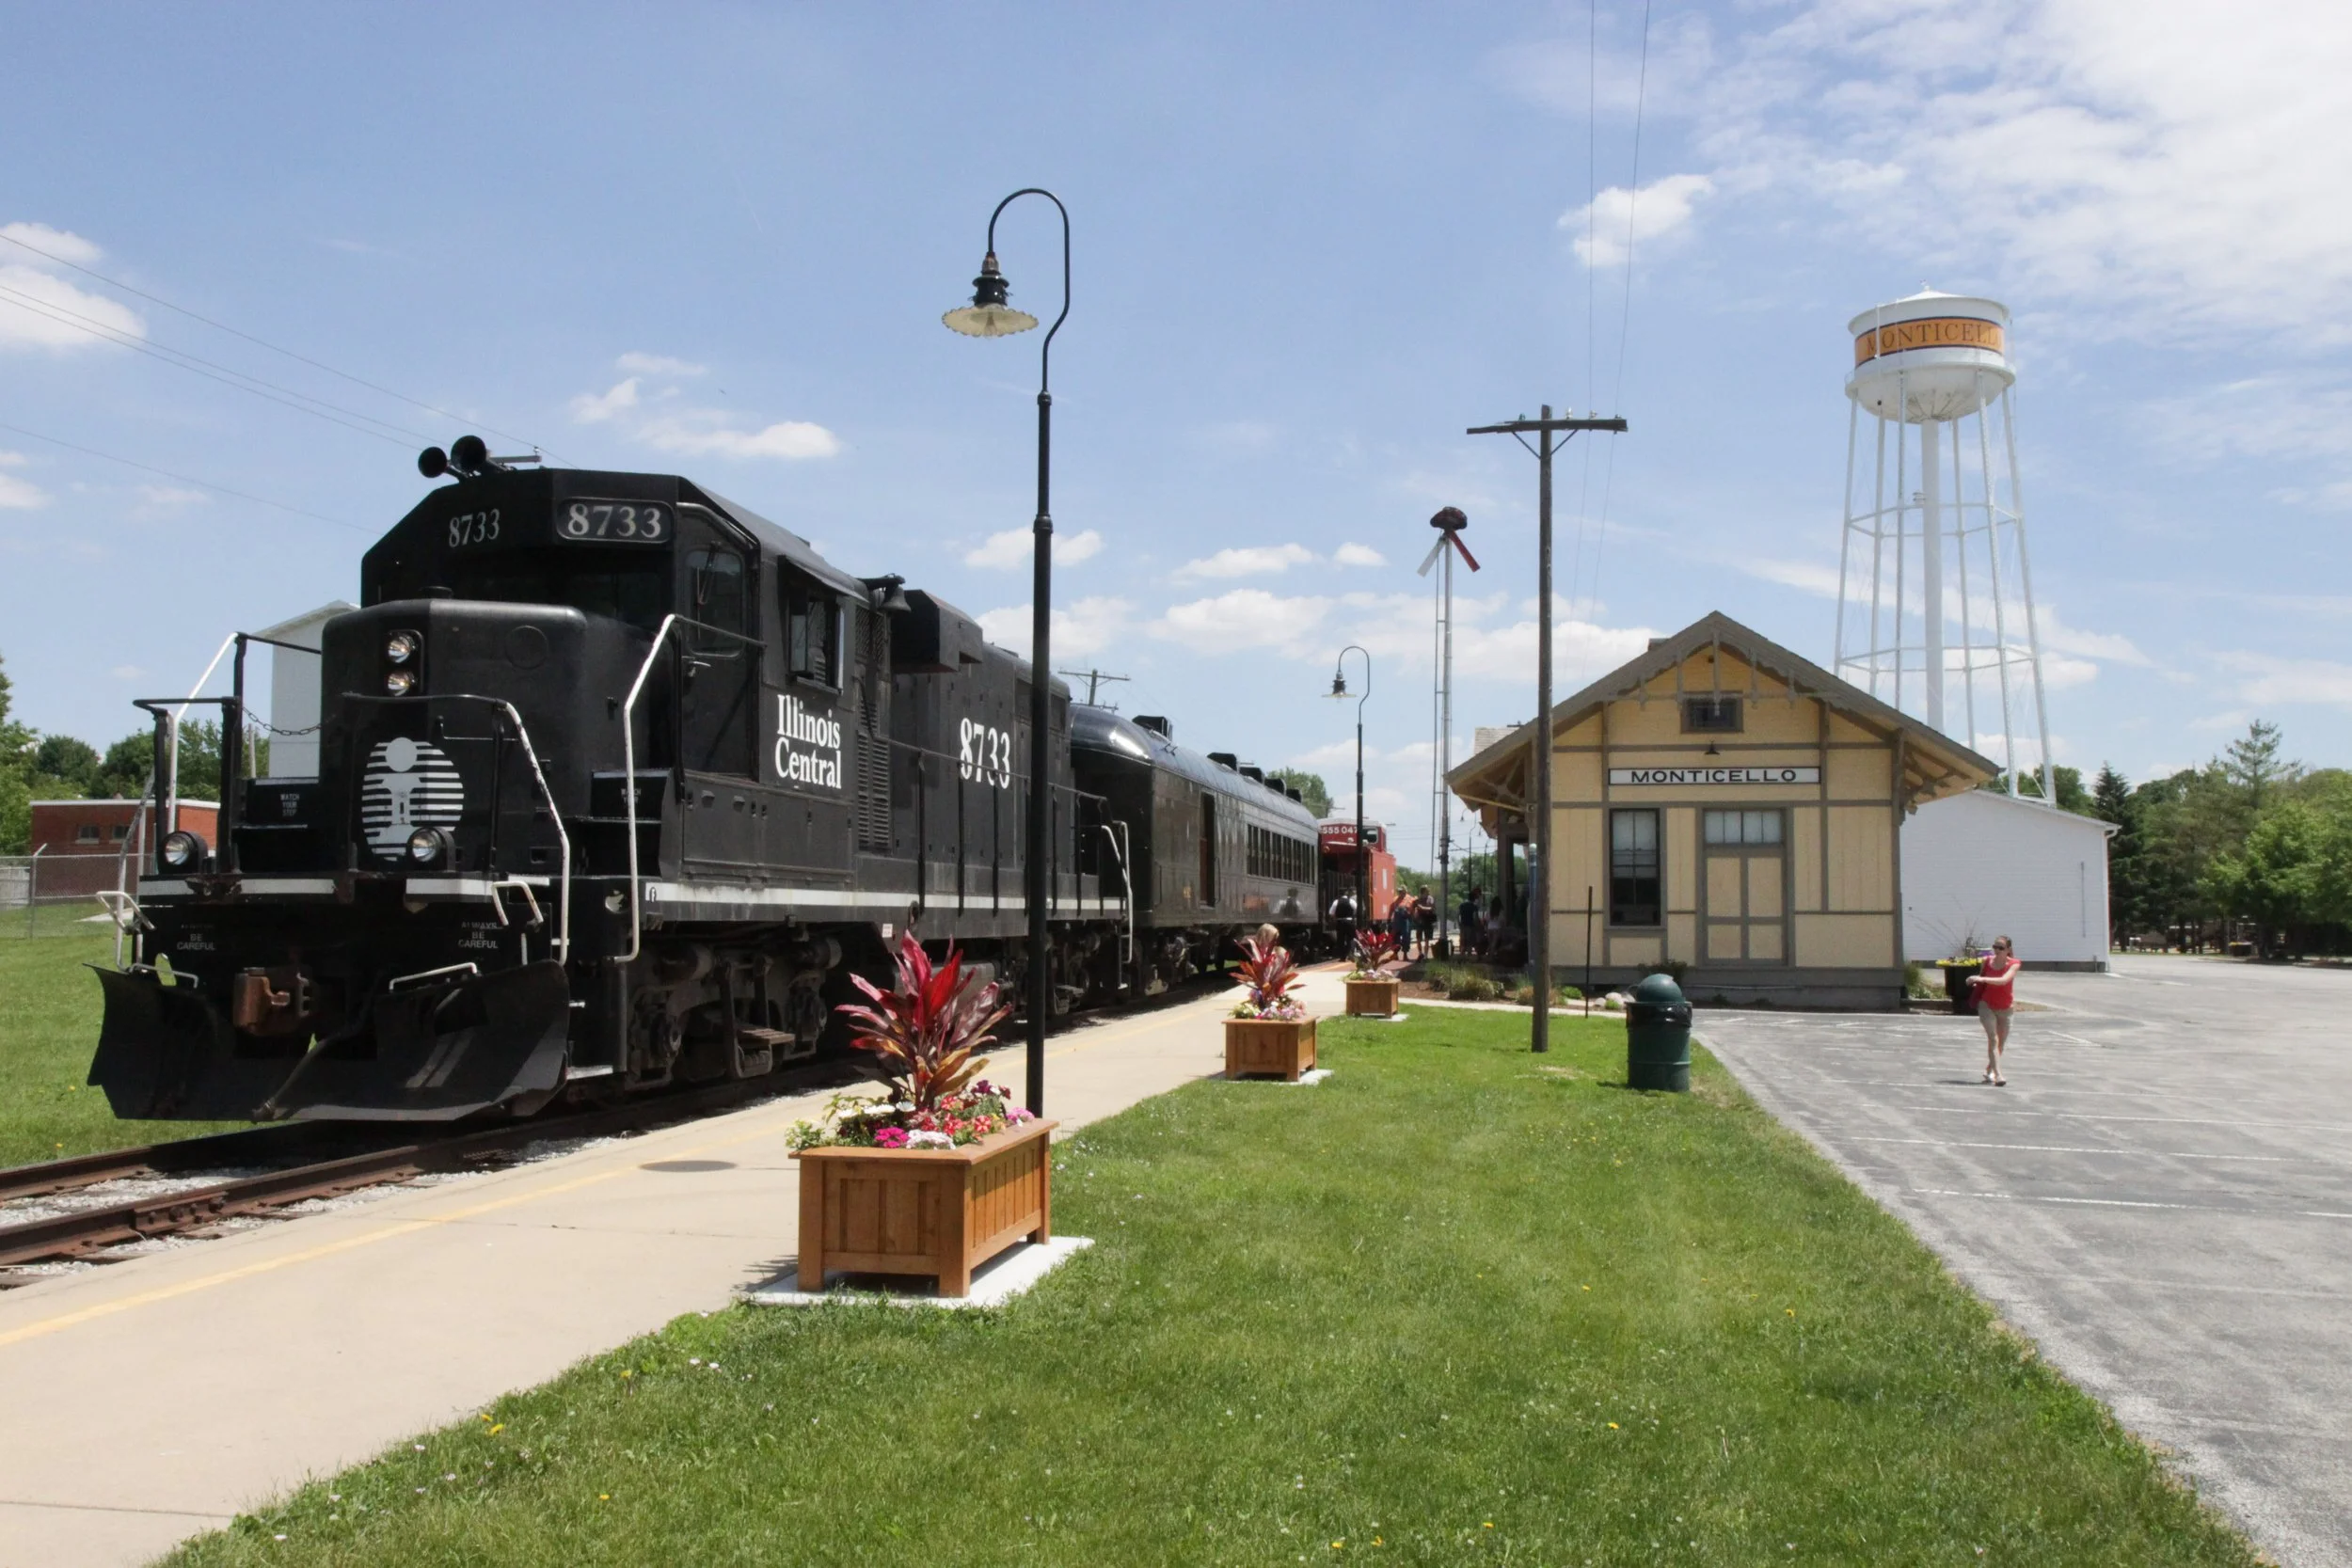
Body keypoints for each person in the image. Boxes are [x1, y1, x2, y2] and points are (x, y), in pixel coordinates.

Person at [1968, 935, 2020, 1085]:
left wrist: (1981, 979)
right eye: (1995, 947)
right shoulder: (1987, 962)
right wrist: (1974, 981)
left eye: (2001, 948)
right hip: (1987, 1005)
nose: (1996, 950)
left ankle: (1989, 1069)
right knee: (1993, 1039)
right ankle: (1998, 1075)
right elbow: (1981, 979)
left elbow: (2004, 980)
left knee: (2001, 1044)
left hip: (2006, 1008)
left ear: (2008, 950)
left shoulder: (2014, 964)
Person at [1328, 889, 1358, 960]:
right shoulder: (1351, 901)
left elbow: (1331, 913)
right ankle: (1350, 954)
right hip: (1349, 921)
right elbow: (1356, 909)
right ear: (1346, 894)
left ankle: (1342, 957)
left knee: (1340, 939)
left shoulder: (1336, 902)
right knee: (1350, 938)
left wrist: (1335, 917)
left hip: (1340, 921)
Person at [1387, 888, 1415, 959]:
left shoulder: (1411, 899)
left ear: (1405, 891)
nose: (1400, 893)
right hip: (1397, 920)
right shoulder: (1395, 899)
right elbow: (1391, 909)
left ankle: (1405, 954)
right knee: (1395, 937)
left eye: (1401, 891)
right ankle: (1395, 954)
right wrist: (1389, 919)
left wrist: (1413, 917)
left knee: (1406, 937)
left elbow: (1414, 910)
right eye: (1399, 891)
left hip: (1406, 920)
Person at [1458, 886, 1485, 958]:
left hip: (1463, 926)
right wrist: (1479, 925)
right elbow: (1475, 917)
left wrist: (1460, 925)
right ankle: (1469, 957)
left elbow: (1459, 916)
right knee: (1470, 943)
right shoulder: (1474, 907)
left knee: (1463, 942)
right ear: (1474, 899)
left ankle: (1461, 957)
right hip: (1470, 926)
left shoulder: (1462, 905)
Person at [1413, 887, 1436, 958]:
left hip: (1428, 920)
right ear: (1423, 891)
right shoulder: (1418, 899)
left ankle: (1426, 955)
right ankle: (1420, 953)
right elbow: (1414, 908)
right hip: (1420, 920)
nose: (1428, 891)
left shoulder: (1430, 898)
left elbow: (1431, 908)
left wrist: (1422, 908)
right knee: (1418, 939)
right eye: (1427, 890)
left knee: (1427, 939)